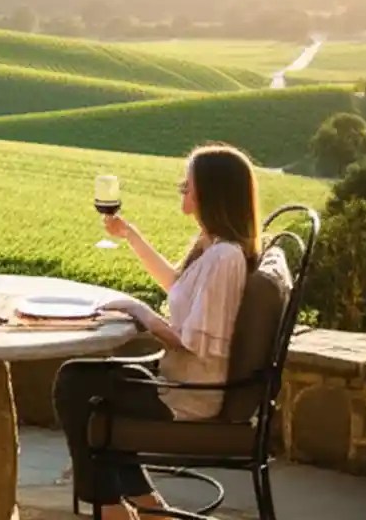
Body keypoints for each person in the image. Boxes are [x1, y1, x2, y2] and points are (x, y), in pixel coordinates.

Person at [53, 143, 286, 520]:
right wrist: (131, 236)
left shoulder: (224, 258)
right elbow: (177, 287)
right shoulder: (213, 247)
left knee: (75, 384)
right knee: (87, 386)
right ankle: (146, 507)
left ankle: (112, 508)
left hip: (190, 398)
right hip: (177, 383)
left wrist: (137, 310)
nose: (182, 189)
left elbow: (190, 341)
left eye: (188, 184)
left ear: (211, 192)